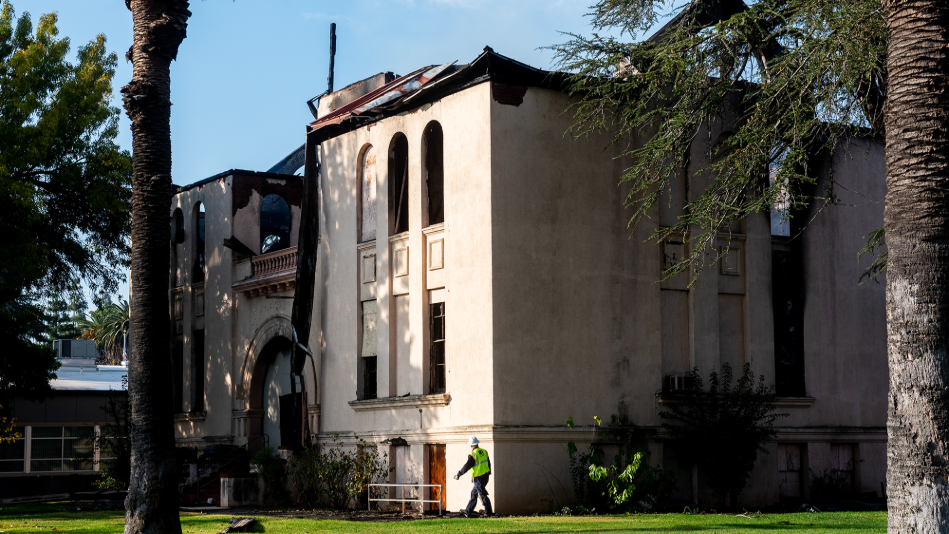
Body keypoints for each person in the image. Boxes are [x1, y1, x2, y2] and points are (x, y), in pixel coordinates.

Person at [453, 436, 493, 518]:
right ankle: (468, 511)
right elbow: (488, 463)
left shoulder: (473, 454)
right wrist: (488, 472)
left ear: (471, 445)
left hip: (478, 477)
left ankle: (488, 513)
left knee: (482, 494)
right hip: (485, 476)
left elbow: (467, 466)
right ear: (477, 443)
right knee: (474, 493)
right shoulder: (484, 451)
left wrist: (458, 474)